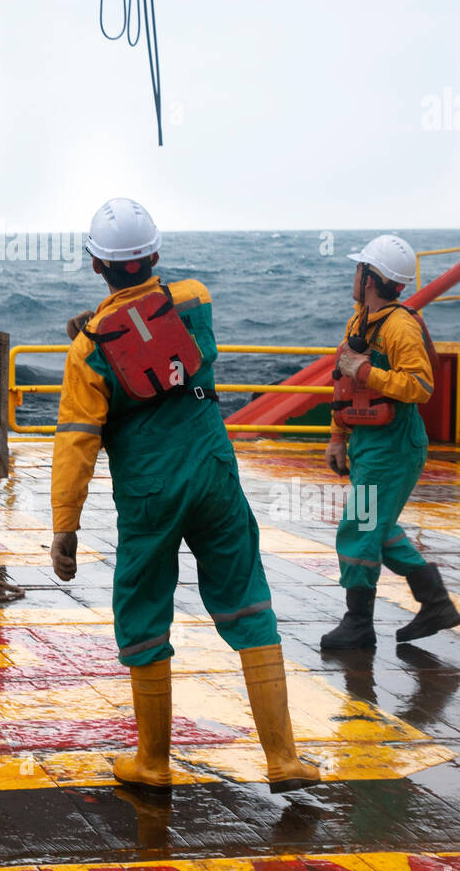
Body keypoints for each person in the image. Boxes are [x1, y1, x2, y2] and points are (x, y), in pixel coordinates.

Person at [50, 197, 319, 793]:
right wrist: (104, 319)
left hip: (150, 490)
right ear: (154, 255)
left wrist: (64, 525)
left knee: (144, 610)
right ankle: (283, 758)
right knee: (247, 599)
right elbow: (156, 325)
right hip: (213, 470)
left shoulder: (87, 351)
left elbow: (76, 440)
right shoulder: (196, 300)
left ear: (97, 266)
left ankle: (152, 763)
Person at [321, 234, 460, 649]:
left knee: (359, 525)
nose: (354, 274)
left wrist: (366, 371)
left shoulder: (400, 326)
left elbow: (420, 387)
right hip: (366, 441)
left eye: (358, 268)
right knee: (377, 528)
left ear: (369, 277)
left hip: (395, 447)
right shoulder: (359, 321)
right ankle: (434, 602)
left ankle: (358, 623)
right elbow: (344, 384)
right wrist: (337, 438)